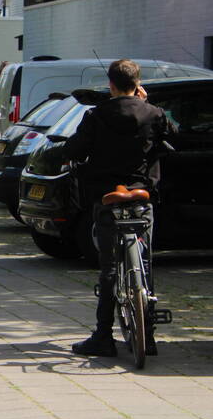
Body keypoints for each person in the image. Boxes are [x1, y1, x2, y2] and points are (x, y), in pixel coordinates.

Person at [63, 59, 172, 357]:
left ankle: (103, 337)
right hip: (141, 194)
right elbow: (170, 136)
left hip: (108, 195)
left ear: (111, 85)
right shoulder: (154, 113)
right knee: (145, 263)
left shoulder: (96, 115)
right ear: (137, 84)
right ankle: (148, 336)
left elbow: (75, 149)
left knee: (110, 267)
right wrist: (147, 103)